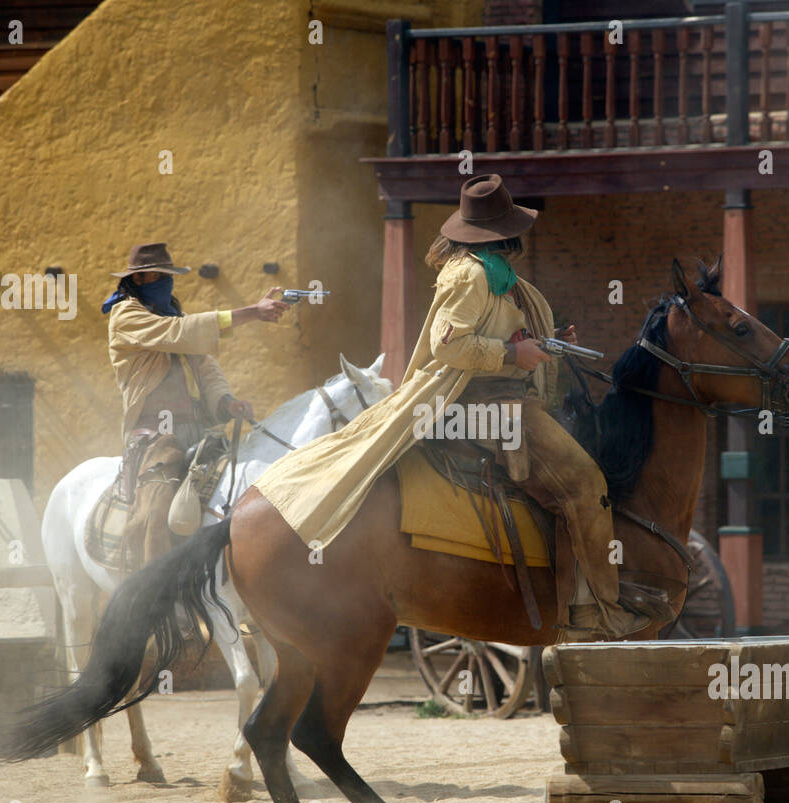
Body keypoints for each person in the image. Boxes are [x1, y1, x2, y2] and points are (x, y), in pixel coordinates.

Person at [253, 175, 653, 639]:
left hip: (512, 398)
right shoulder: (470, 274)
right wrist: (511, 355)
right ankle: (599, 610)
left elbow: (503, 337)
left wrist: (547, 346)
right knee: (586, 483)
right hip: (481, 407)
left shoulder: (503, 278)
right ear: (504, 231)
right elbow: (449, 346)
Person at [102, 242, 287, 564]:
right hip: (156, 434)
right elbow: (179, 332)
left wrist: (226, 402)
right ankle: (152, 589)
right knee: (157, 509)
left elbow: (206, 369)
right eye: (152, 276)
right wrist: (252, 313)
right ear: (136, 280)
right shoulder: (126, 316)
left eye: (166, 275)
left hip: (201, 429)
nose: (161, 282)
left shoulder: (176, 316)